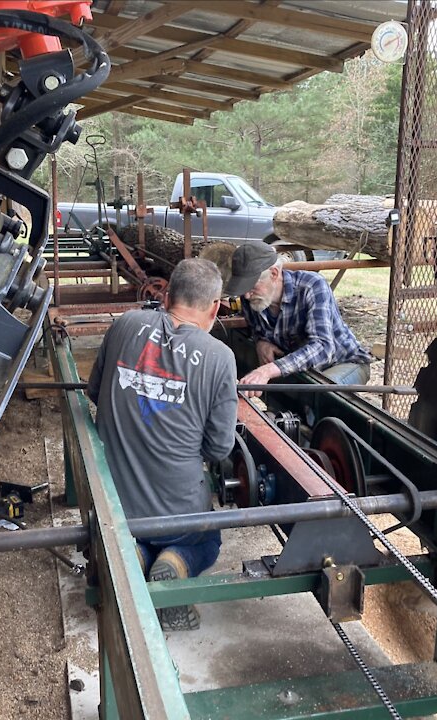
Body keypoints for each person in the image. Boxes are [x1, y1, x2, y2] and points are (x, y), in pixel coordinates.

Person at [86, 258, 237, 631]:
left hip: (116, 504)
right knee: (207, 540)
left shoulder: (125, 324)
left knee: (143, 529)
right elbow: (219, 448)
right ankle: (177, 562)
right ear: (215, 307)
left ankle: (135, 554)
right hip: (177, 515)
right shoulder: (220, 358)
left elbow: (94, 392)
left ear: (167, 295)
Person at [222, 242, 374, 395]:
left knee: (319, 396)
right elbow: (257, 330)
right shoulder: (253, 299)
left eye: (252, 287)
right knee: (287, 397)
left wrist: (268, 370)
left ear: (274, 274)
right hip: (302, 366)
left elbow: (323, 347)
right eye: (244, 289)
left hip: (343, 362)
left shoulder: (312, 286)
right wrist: (261, 341)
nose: (247, 296)